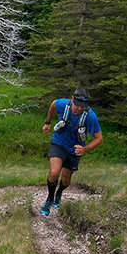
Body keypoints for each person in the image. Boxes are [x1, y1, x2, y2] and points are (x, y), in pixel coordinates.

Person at [40, 87, 103, 216]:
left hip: (75, 150)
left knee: (66, 178)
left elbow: (99, 138)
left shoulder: (90, 116)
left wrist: (84, 149)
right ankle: (50, 199)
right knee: (54, 172)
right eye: (78, 105)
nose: (80, 108)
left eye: (83, 106)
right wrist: (47, 122)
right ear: (73, 99)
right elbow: (53, 104)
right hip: (58, 143)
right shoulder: (64, 105)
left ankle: (59, 193)